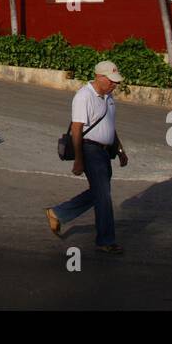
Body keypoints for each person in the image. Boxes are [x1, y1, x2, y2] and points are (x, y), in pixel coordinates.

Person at [44, 60, 129, 255]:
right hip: (90, 149)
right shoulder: (84, 96)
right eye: (111, 81)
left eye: (116, 81)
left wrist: (120, 150)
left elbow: (109, 126)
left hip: (105, 151)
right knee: (104, 195)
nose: (115, 85)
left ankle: (58, 212)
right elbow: (77, 129)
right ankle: (106, 240)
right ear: (99, 77)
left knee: (100, 192)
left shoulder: (108, 97)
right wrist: (79, 159)